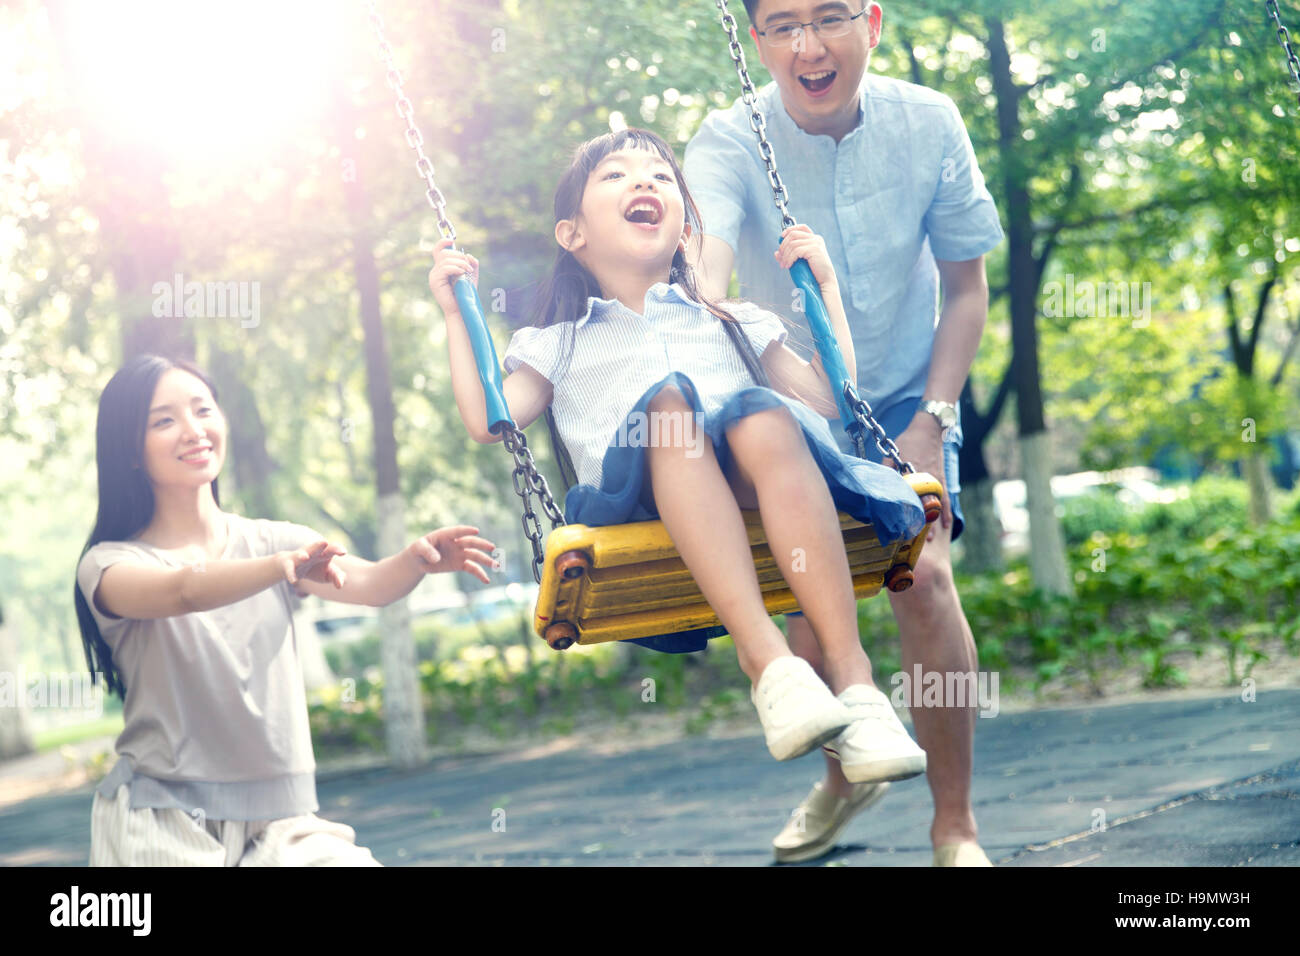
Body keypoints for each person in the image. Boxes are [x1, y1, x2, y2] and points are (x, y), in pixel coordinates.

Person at [430, 126, 930, 783]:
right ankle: (769, 666)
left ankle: (858, 688)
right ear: (572, 234)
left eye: (661, 176)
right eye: (615, 175)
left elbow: (833, 397)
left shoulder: (731, 318)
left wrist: (825, 285)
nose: (644, 181)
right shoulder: (558, 343)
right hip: (636, 508)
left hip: (753, 487)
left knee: (763, 413)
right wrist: (452, 314)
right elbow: (488, 419)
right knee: (668, 406)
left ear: (685, 223)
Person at [684, 0, 1004, 865]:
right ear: (757, 42)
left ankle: (955, 825)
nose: (808, 45)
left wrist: (935, 419)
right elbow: (707, 252)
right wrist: (700, 285)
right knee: (810, 623)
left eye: (829, 18)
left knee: (924, 580)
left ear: (871, 21)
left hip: (907, 396)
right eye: (783, 25)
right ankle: (843, 778)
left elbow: (966, 287)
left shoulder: (929, 121)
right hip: (795, 409)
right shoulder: (726, 139)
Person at [75, 354, 496, 866]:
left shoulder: (275, 541)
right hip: (163, 819)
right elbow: (184, 590)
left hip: (282, 821)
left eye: (202, 409)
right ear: (131, 450)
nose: (193, 430)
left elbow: (369, 583)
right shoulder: (110, 565)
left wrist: (414, 560)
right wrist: (278, 568)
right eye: (163, 420)